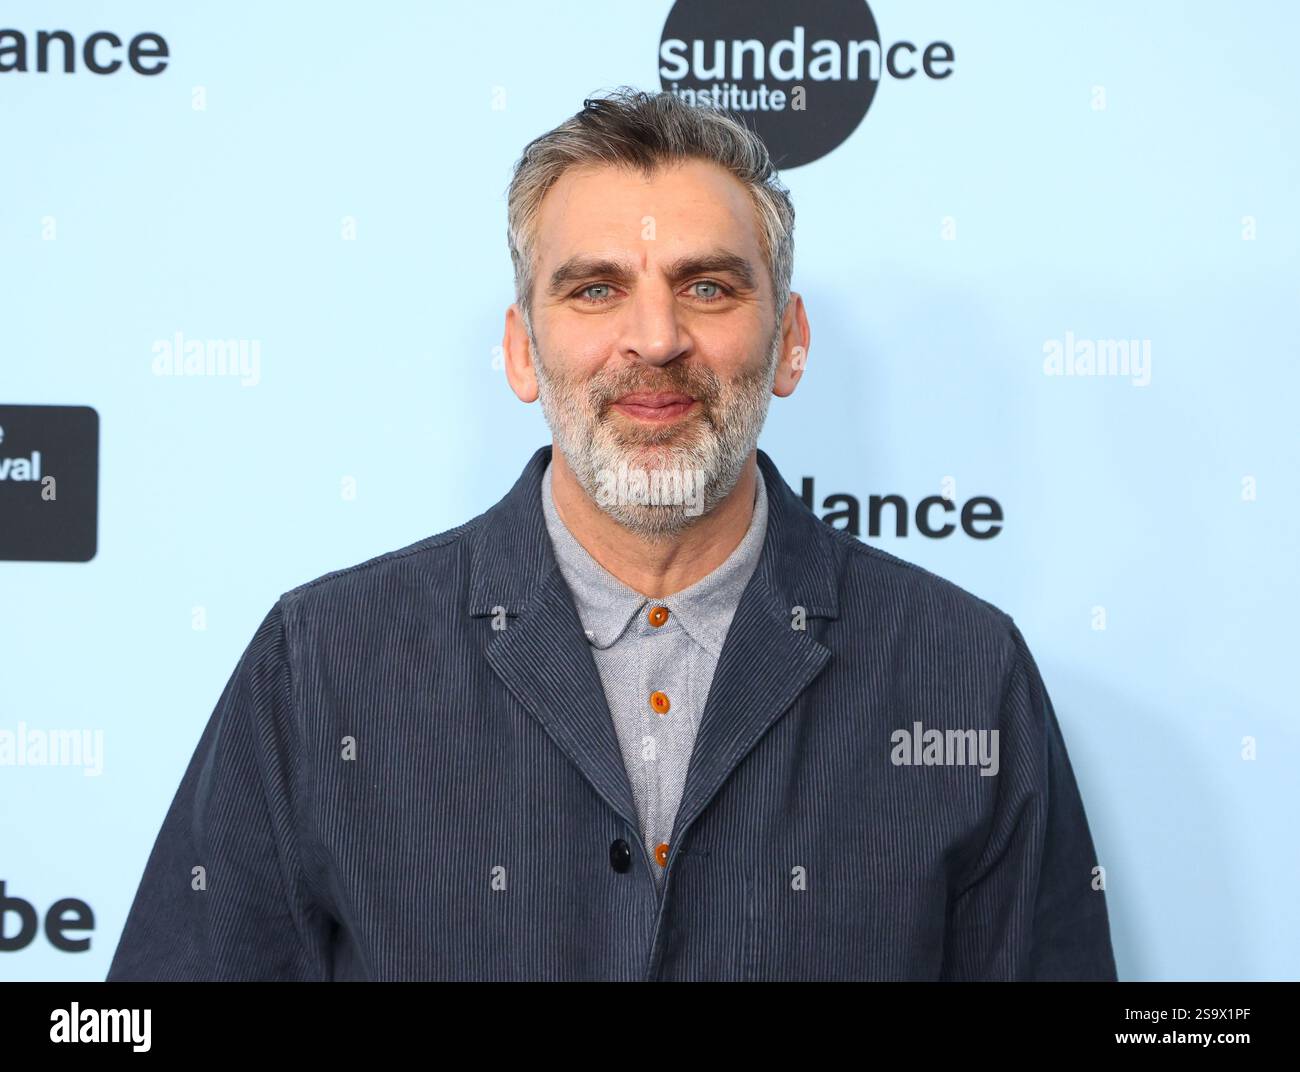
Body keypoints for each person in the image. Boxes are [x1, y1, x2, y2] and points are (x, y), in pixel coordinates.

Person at [107, 87, 1116, 981]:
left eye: (707, 286)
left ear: (788, 341)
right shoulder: (323, 663)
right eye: (595, 289)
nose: (655, 338)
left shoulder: (962, 668)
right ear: (522, 349)